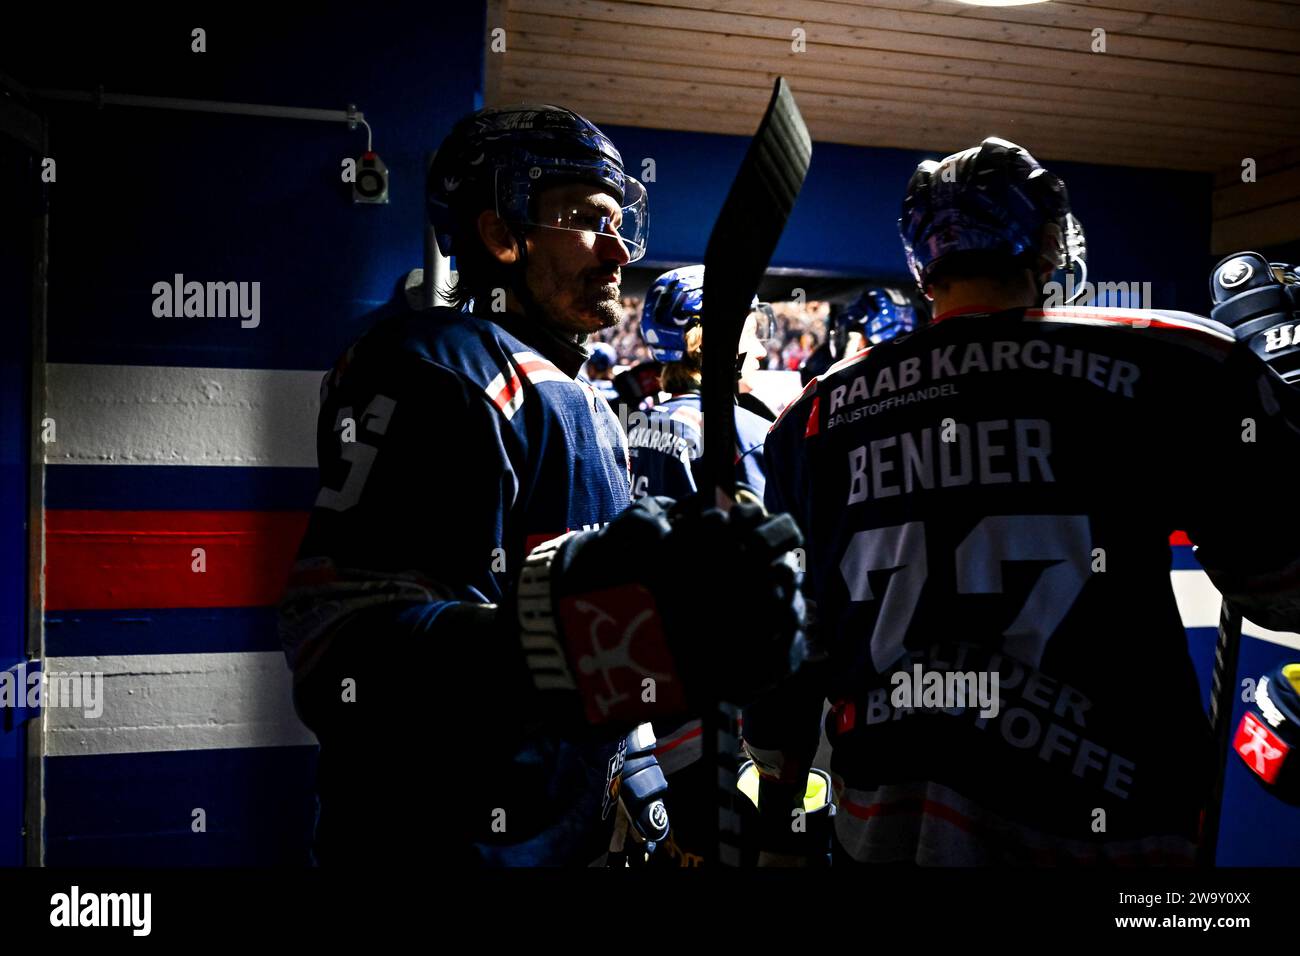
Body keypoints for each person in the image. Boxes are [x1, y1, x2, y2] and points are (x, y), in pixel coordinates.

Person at [278, 103, 806, 867]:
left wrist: (664, 752)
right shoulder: (435, 369)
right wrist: (582, 635)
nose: (618, 247)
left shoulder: (582, 392)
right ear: (501, 232)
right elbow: (339, 651)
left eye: (621, 220)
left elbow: (605, 664)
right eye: (590, 219)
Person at [752, 136, 1300, 865]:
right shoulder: (1174, 360)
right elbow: (1282, 587)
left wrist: (778, 791)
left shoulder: (816, 416)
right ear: (1046, 244)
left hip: (885, 828)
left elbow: (787, 658)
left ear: (924, 263)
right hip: (1103, 825)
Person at [629, 265, 772, 502]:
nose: (761, 351)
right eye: (751, 334)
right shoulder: (745, 436)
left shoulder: (636, 424)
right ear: (714, 341)